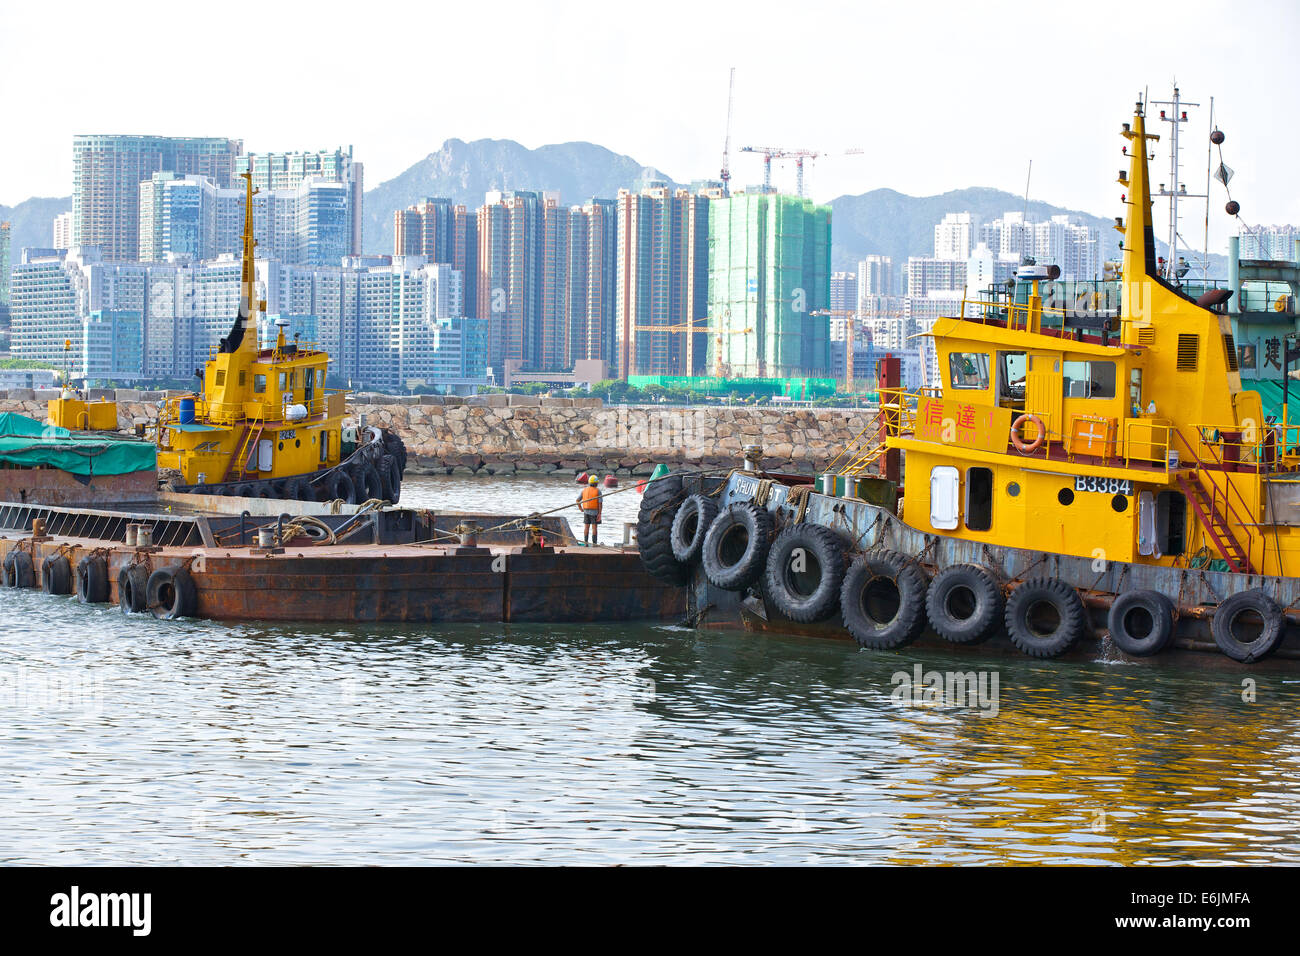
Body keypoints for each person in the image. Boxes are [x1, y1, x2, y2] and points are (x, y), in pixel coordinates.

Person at [577, 474, 603, 546]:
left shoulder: (584, 490)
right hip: (594, 512)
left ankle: (586, 543)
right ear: (596, 483)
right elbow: (600, 503)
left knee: (586, 527)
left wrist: (580, 508)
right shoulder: (598, 491)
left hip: (586, 511)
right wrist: (599, 514)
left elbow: (577, 500)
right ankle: (594, 544)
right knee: (594, 527)